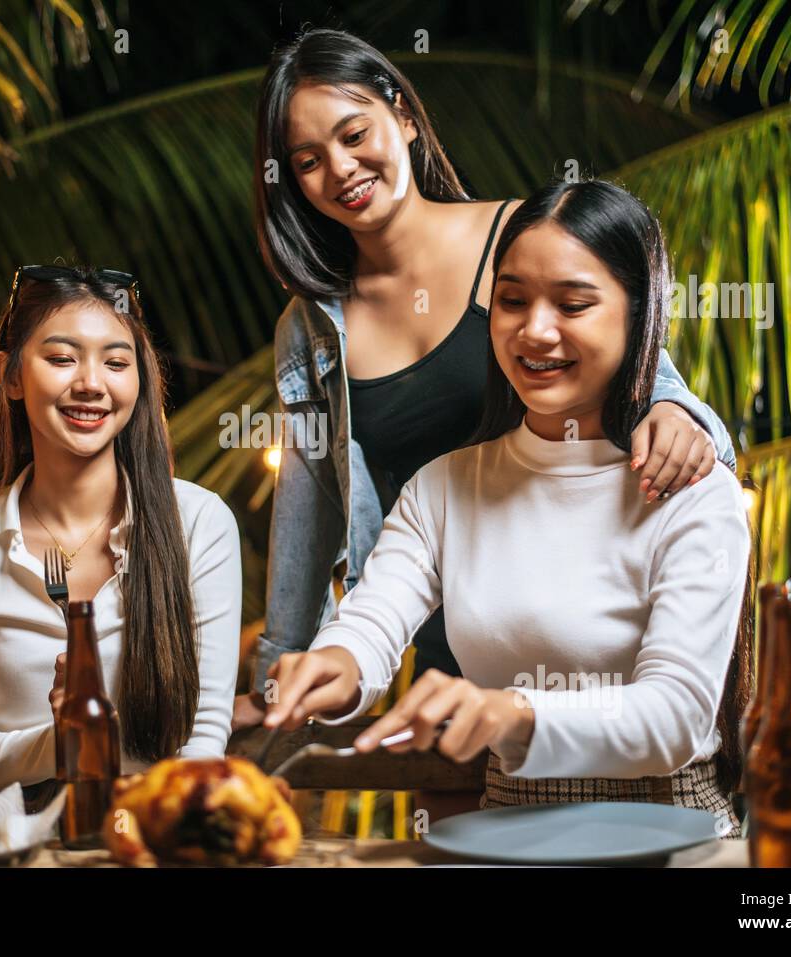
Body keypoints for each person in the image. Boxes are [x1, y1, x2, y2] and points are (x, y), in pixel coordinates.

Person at [235, 29, 736, 737]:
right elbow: (309, 504)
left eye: (353, 134)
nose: (340, 168)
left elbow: (649, 376)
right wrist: (280, 675)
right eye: (308, 161)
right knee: (466, 839)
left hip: (591, 615)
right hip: (448, 638)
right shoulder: (315, 324)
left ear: (404, 116)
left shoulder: (523, 241)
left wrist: (682, 417)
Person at [262, 179, 752, 836]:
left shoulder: (691, 489)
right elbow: (372, 627)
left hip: (668, 833)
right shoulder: (445, 487)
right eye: (513, 300)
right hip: (508, 834)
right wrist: (335, 663)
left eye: (574, 304)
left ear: (639, 315)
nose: (535, 330)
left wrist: (510, 713)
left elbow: (677, 718)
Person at [0, 265, 241, 799]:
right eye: (62, 359)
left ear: (139, 380)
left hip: (155, 836)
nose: (91, 383)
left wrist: (98, 745)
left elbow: (202, 744)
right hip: (13, 847)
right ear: (10, 376)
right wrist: (54, 744)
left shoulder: (198, 524)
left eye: (116, 362)